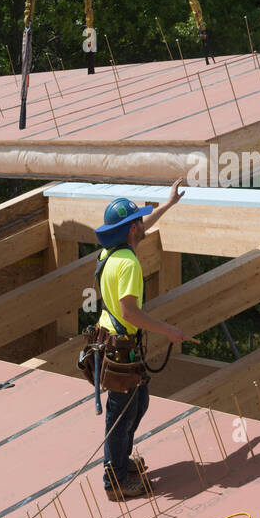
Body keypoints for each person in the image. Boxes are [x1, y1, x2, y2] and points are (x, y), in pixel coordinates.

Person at [90, 180, 187, 500]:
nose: (143, 226)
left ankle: (120, 461)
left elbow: (139, 226)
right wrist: (168, 331)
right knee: (120, 416)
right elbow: (129, 313)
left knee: (138, 403)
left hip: (110, 340)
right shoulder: (129, 264)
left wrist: (168, 204)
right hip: (122, 347)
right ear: (132, 230)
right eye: (138, 223)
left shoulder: (112, 252)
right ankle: (115, 480)